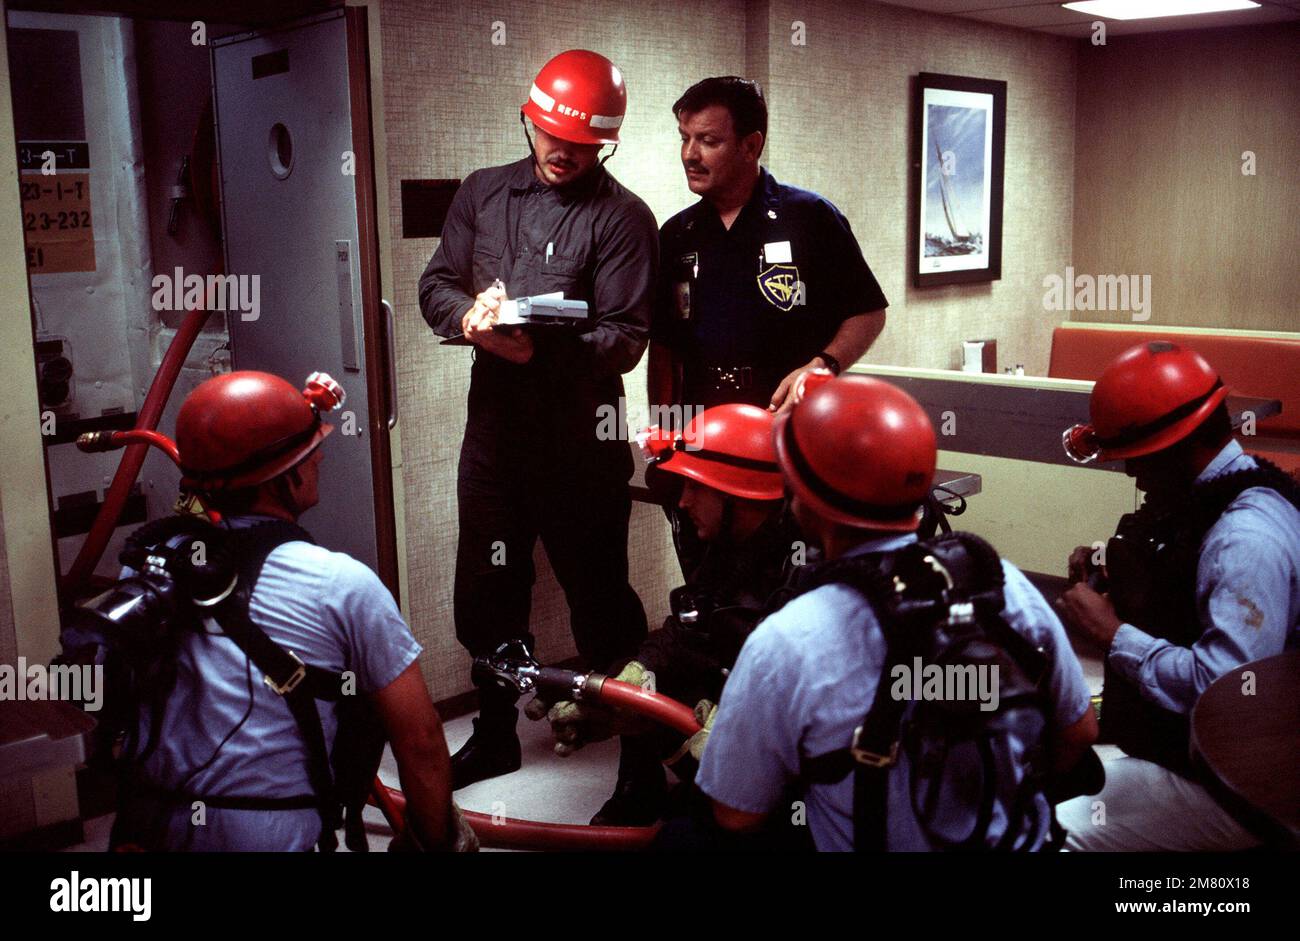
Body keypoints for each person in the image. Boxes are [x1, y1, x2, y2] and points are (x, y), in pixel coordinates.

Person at [64, 371, 467, 852]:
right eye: (308, 453)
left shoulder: (154, 563)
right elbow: (421, 743)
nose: (319, 457)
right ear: (285, 475)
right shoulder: (342, 583)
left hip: (142, 828)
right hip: (268, 837)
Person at [695, 374, 1099, 850]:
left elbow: (737, 813)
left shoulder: (787, 639)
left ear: (805, 500)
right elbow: (1079, 732)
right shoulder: (1003, 583)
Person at [417, 50, 657, 790]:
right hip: (494, 442)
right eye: (552, 136)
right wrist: (470, 322)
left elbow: (624, 338)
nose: (563, 153)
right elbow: (435, 286)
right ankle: (494, 736)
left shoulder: (624, 217)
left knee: (602, 607)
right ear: (529, 121)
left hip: (582, 448)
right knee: (487, 594)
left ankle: (640, 764)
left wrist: (532, 350)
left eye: (582, 145)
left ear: (604, 143)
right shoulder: (484, 194)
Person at [1054, 341, 1300, 851]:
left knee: (1052, 832)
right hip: (1205, 755)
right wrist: (1114, 566)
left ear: (1179, 445)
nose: (1132, 474)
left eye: (1138, 459)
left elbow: (1223, 692)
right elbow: (1188, 568)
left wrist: (1112, 633)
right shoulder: (1220, 493)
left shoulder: (1244, 540)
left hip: (1248, 789)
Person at [527, 403, 804, 825]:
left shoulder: (805, 577)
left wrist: (749, 736)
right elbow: (688, 630)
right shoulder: (730, 548)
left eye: (696, 487)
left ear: (738, 495)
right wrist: (636, 676)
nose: (684, 500)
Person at [648, 76, 888, 421]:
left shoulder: (810, 217)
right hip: (704, 425)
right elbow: (664, 346)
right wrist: (664, 429)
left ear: (751, 145)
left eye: (708, 141)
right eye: (685, 139)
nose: (690, 154)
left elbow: (867, 312)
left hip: (791, 421)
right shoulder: (677, 233)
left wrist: (822, 366)